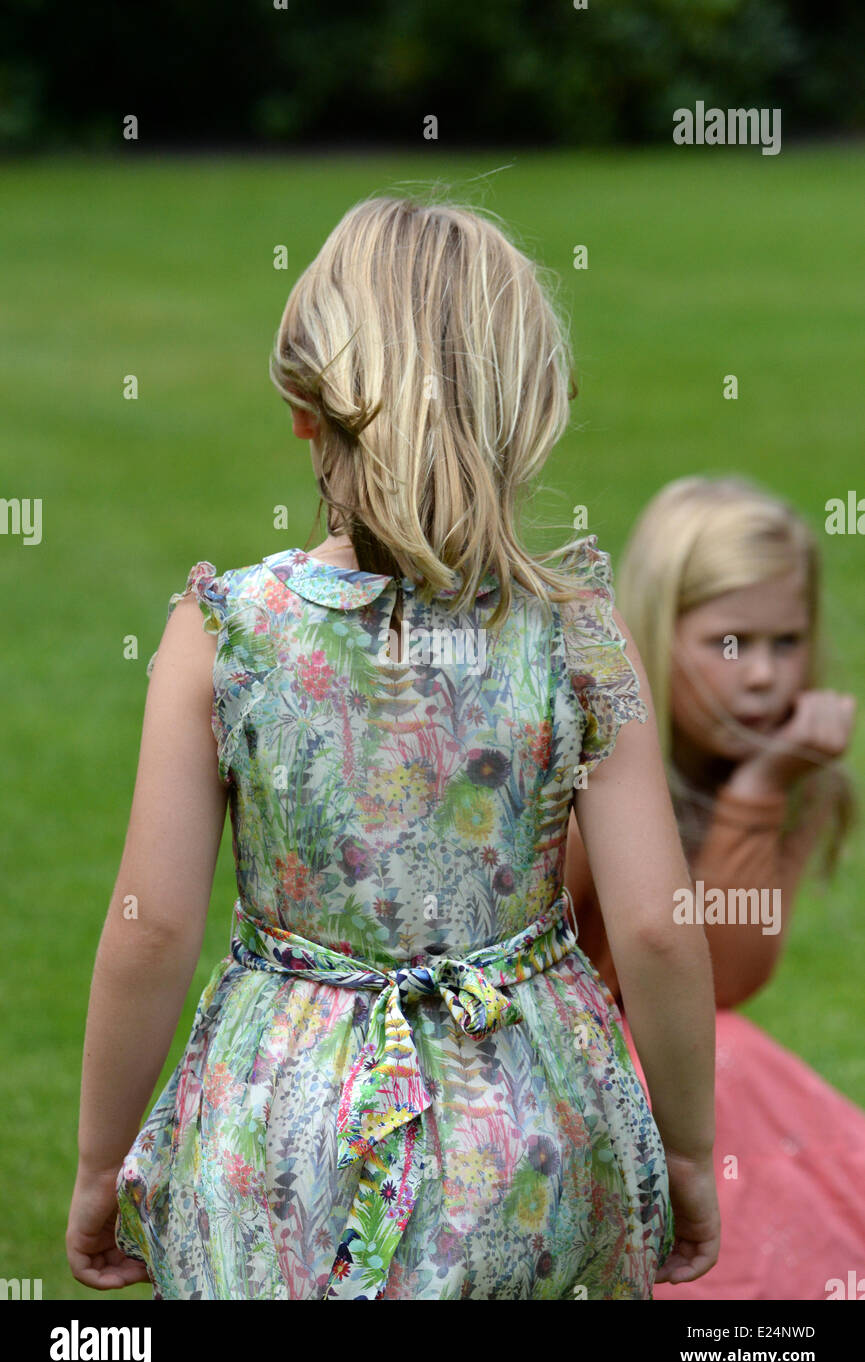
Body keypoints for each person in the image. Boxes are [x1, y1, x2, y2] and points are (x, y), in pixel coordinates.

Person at [66, 195, 719, 1301]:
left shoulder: (226, 632)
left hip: (278, 1130)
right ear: (530, 411)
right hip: (532, 1126)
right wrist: (692, 1148)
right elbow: (656, 924)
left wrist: (98, 1161)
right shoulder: (577, 636)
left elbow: (154, 926)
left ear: (305, 413)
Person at [565, 474, 864, 1300]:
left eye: (786, 641)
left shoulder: (785, 774)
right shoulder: (592, 768)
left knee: (736, 1065)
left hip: (688, 1051)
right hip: (580, 1060)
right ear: (659, 635)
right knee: (724, 1063)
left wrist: (760, 794)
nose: (764, 676)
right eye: (731, 643)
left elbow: (726, 980)